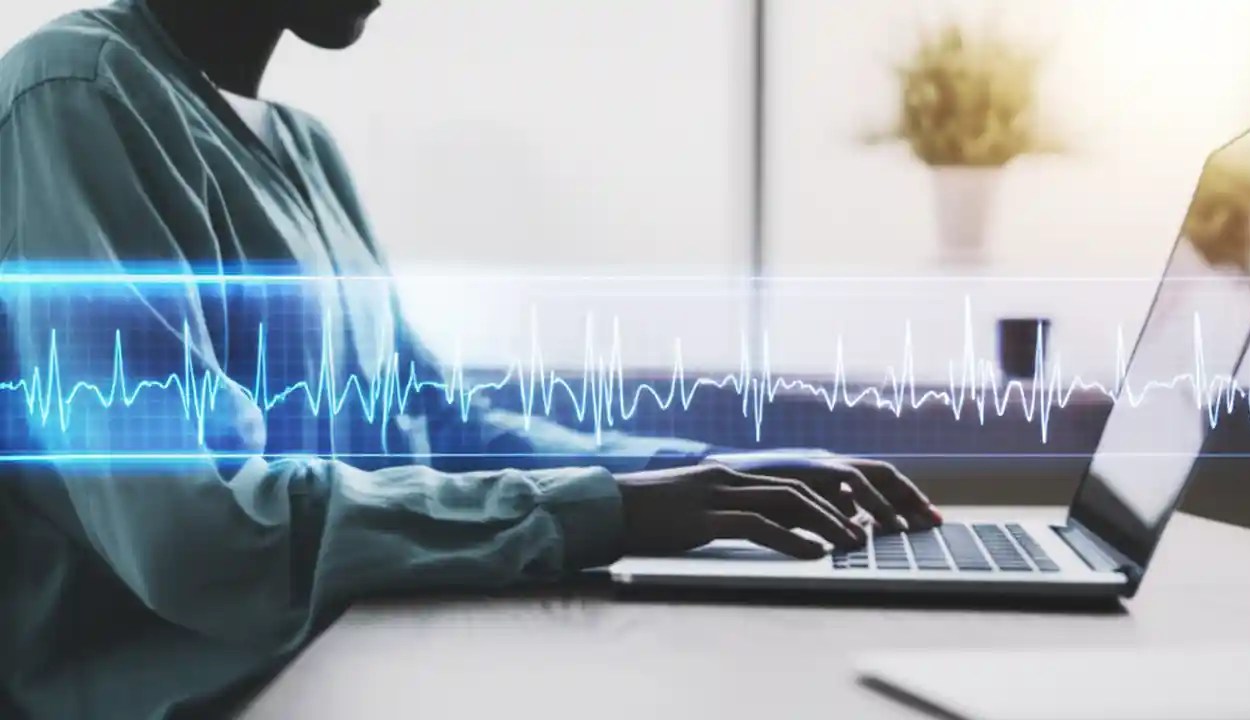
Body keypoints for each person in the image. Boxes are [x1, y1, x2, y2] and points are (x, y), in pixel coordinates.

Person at [0, 1, 942, 717]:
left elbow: (436, 427)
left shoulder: (303, 148)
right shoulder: (78, 94)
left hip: (334, 664)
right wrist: (612, 512)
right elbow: (198, 540)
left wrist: (688, 477)